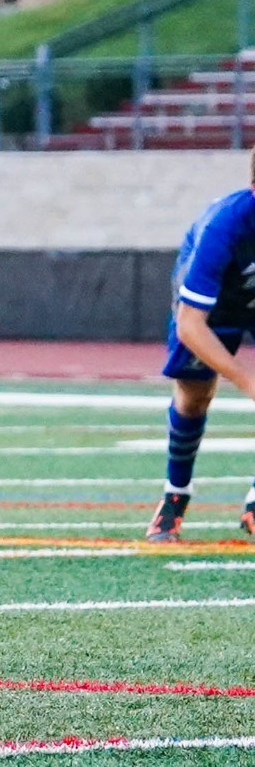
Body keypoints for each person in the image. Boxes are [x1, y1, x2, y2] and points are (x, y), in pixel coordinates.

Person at [146, 150, 255, 542]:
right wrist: (247, 380)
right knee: (194, 397)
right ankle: (175, 496)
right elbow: (191, 325)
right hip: (214, 309)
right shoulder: (224, 226)